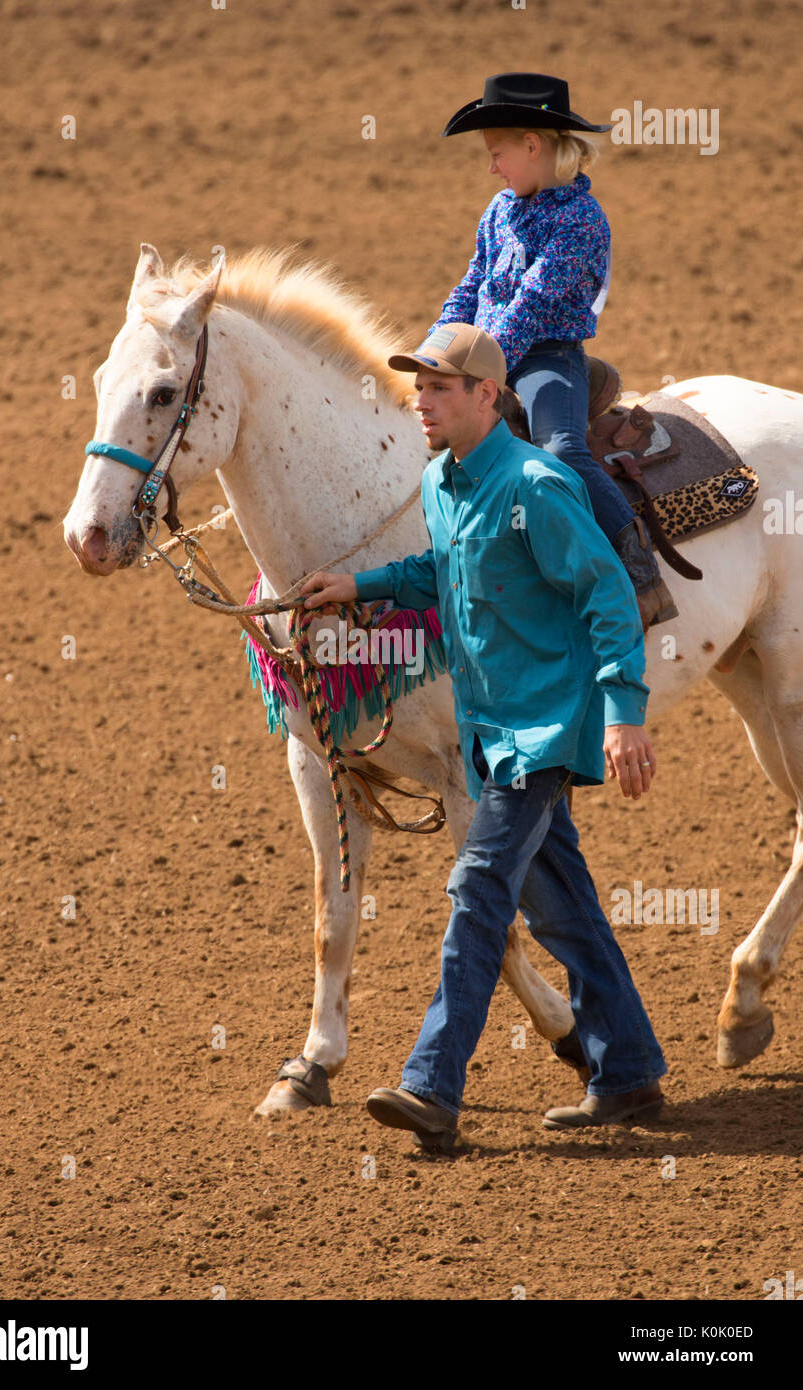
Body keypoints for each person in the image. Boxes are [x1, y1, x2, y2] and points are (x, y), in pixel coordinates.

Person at [300, 323, 667, 1147]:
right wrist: (356, 584)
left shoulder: (536, 485)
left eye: (437, 388)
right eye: (417, 387)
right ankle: (631, 1072)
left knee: (475, 894)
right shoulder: (443, 483)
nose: (419, 402)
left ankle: (432, 1086)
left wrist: (625, 713)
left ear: (485, 396)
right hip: (488, 731)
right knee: (565, 913)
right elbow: (440, 572)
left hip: (540, 734)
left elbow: (608, 599)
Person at [428, 71, 677, 631]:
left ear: (533, 145)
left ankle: (640, 574)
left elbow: (534, 302)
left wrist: (478, 363)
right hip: (484, 358)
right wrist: (436, 349)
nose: (493, 167)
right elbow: (472, 285)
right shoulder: (497, 211)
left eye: (498, 153)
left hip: (546, 358)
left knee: (561, 451)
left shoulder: (581, 220)